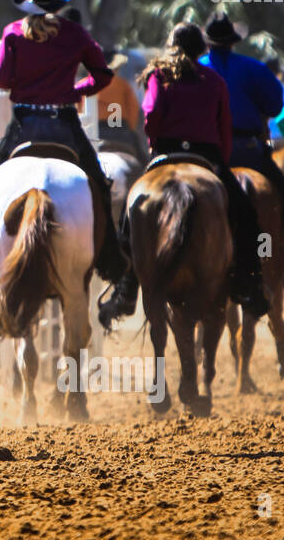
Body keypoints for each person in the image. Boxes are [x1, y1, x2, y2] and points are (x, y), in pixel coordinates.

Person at [98, 24, 271, 326]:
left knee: (131, 213)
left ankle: (126, 290)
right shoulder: (214, 80)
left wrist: (154, 144)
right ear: (201, 49)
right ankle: (249, 283)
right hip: (207, 154)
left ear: (172, 46)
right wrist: (222, 157)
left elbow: (149, 115)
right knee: (245, 214)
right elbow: (224, 124)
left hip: (166, 151)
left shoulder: (158, 75)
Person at [0, 0, 125, 286]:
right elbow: (103, 75)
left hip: (24, 126)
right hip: (63, 123)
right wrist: (77, 90)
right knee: (99, 184)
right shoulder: (75, 33)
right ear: (59, 5)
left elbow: (1, 80)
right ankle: (110, 257)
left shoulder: (12, 33)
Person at [200, 13, 284, 294]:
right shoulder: (254, 68)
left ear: (208, 43)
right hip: (247, 150)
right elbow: (273, 108)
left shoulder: (196, 68)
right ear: (234, 42)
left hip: (207, 154)